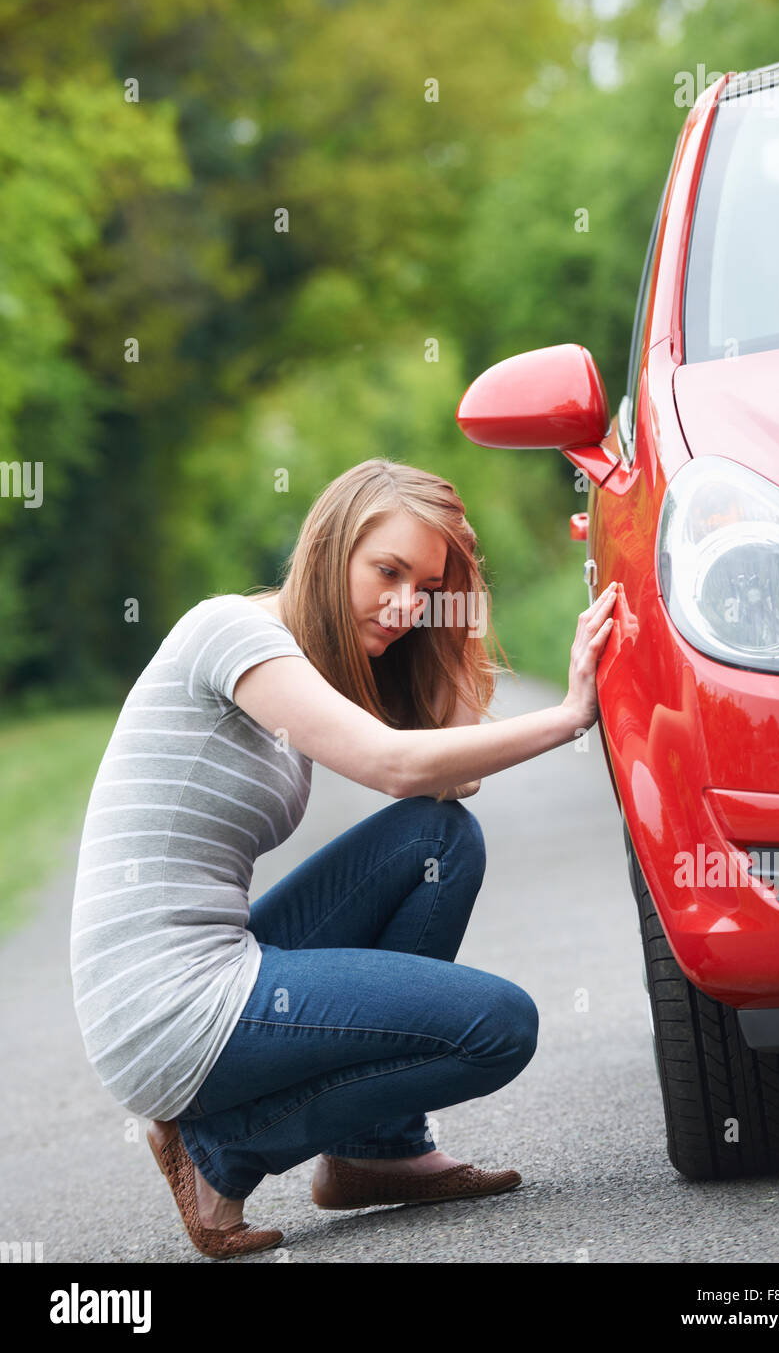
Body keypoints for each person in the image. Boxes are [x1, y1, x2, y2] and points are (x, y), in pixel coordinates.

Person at [69, 458, 618, 1259]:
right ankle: (221, 1150)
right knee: (500, 1027)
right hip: (165, 1007)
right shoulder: (234, 634)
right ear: (331, 548)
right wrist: (570, 715)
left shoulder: (307, 659)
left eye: (425, 587)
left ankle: (377, 1149)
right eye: (387, 571)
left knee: (437, 839)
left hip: (210, 967)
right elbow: (398, 763)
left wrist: (463, 602)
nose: (405, 605)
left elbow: (452, 776)